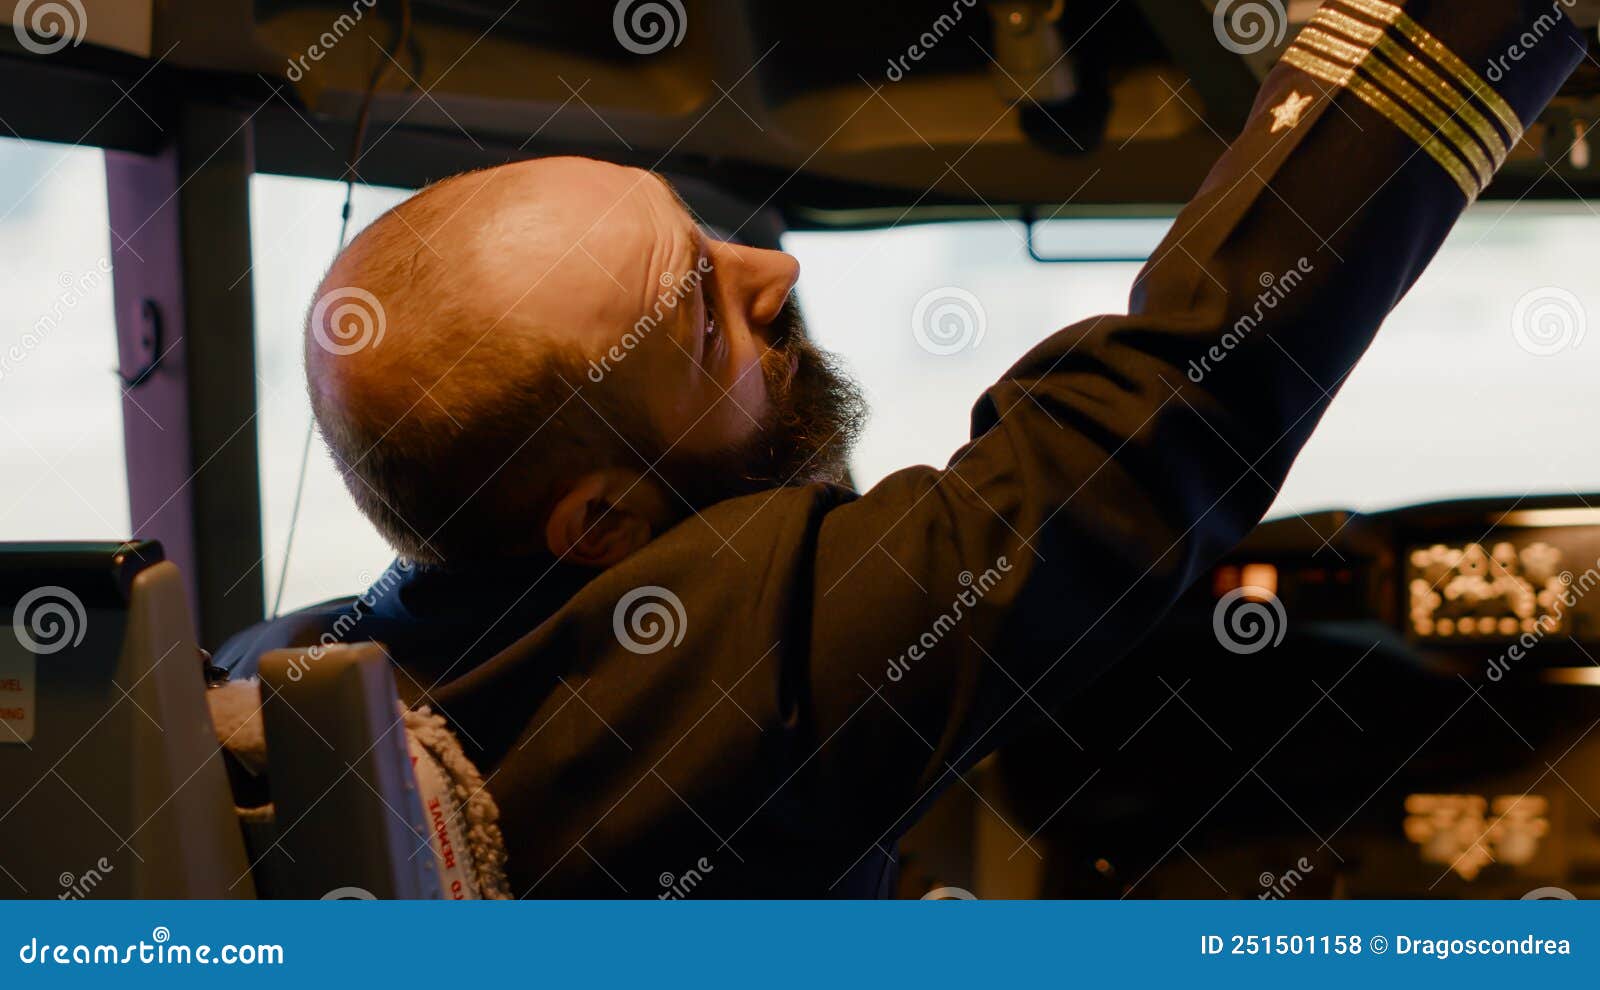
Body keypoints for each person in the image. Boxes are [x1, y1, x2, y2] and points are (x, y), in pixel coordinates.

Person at [218, 0, 1583, 896]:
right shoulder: (709, 654)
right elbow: (1158, 417)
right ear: (598, 526)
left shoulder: (297, 673)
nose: (773, 264)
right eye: (702, 316)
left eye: (707, 229)